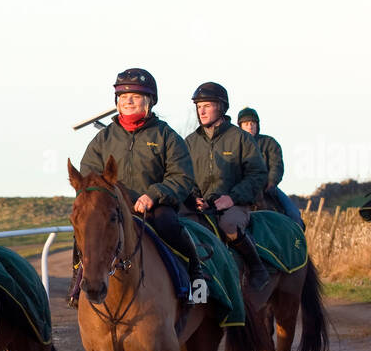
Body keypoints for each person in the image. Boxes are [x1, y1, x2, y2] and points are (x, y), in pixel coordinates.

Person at [68, 67, 203, 306]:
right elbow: (89, 178)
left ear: (149, 101)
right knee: (85, 227)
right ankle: (77, 283)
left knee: (169, 225)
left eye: (136, 96)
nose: (128, 101)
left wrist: (153, 195)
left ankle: (194, 281)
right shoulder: (102, 139)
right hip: (114, 208)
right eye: (123, 97)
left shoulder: (167, 136)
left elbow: (181, 177)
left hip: (154, 207)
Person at [182, 81, 270, 291]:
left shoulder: (241, 138)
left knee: (229, 226)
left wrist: (232, 197)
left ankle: (257, 269)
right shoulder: (189, 142)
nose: (201, 111)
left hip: (235, 205)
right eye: (198, 106)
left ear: (221, 107)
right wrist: (192, 197)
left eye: (207, 105)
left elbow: (258, 174)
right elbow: (183, 176)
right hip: (201, 206)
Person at [238, 107, 302, 224]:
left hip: (267, 187)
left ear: (257, 125)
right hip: (242, 188)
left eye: (253, 123)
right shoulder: (235, 145)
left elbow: (276, 165)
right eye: (246, 124)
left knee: (294, 214)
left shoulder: (270, 142)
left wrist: (271, 182)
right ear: (240, 126)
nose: (250, 126)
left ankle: (297, 236)